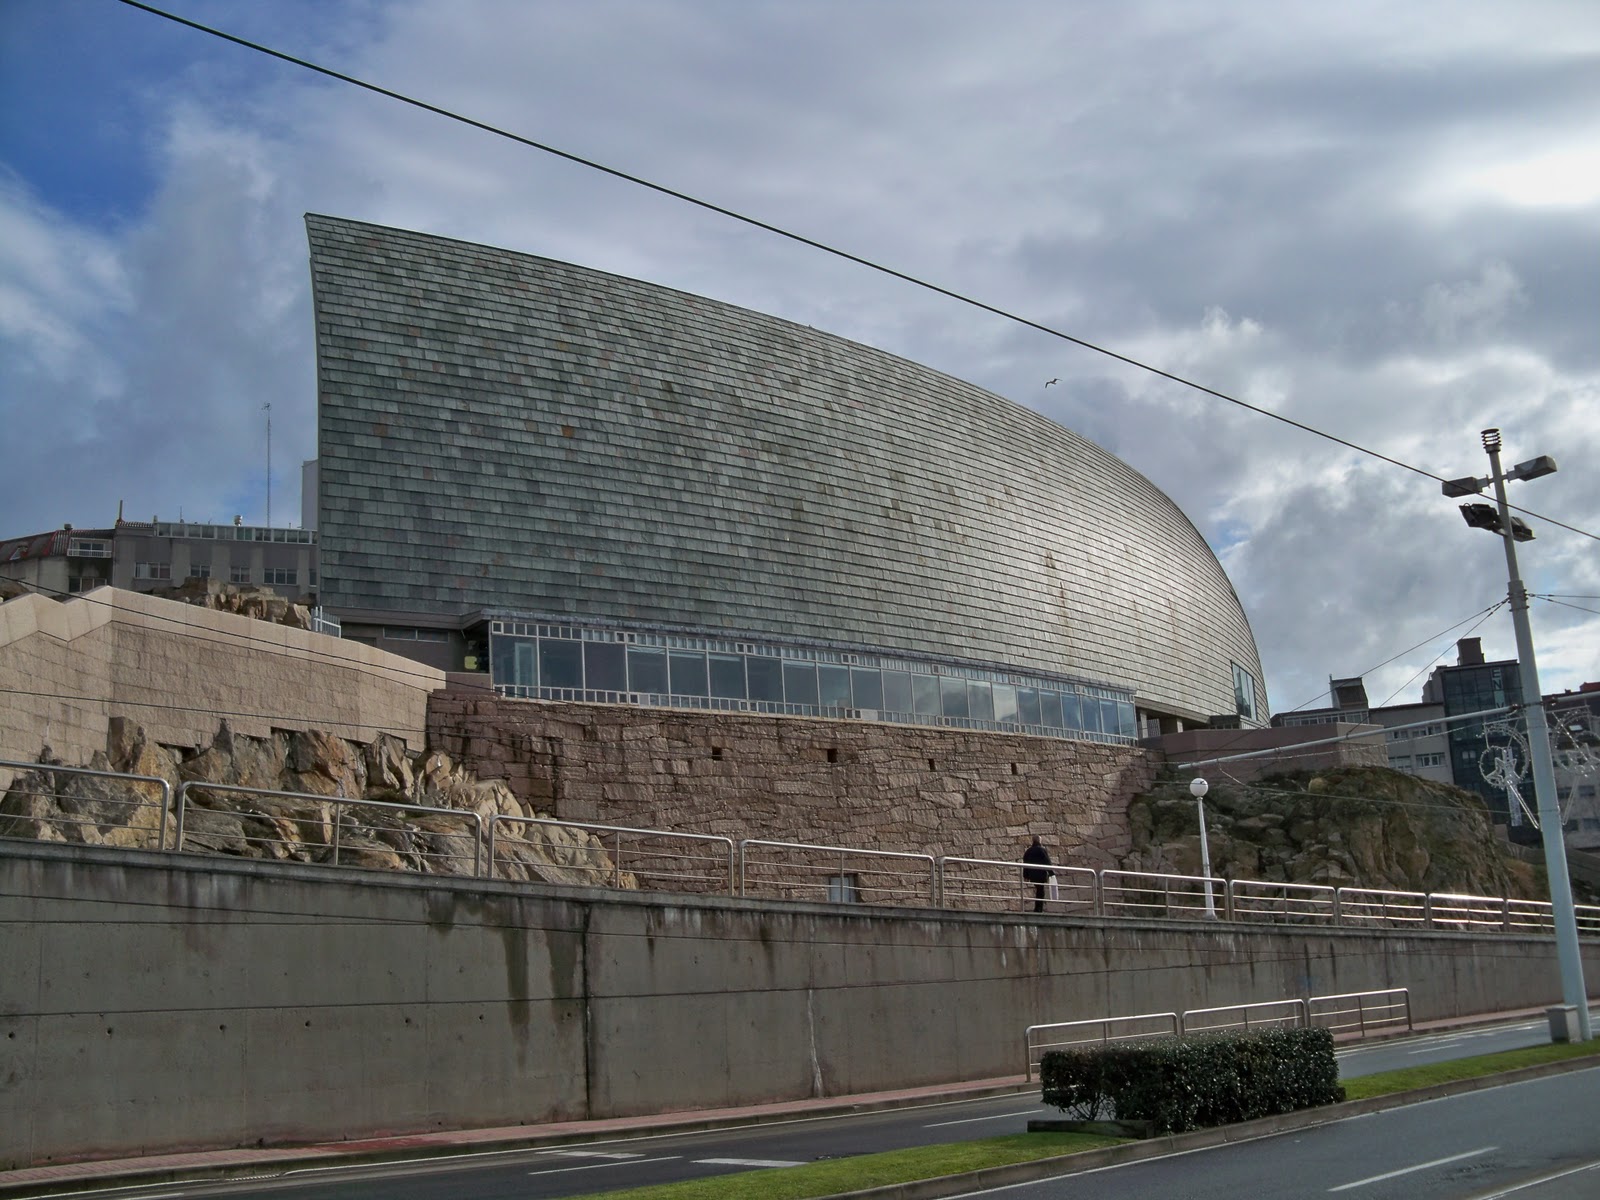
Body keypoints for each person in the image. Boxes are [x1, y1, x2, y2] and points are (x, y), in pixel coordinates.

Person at [1022, 834, 1053, 913]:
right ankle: (1038, 909)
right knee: (1040, 891)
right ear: (1039, 841)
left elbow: (1025, 863)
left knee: (1039, 890)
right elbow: (1047, 862)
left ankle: (1037, 909)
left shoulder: (1028, 851)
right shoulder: (1041, 850)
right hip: (1040, 874)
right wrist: (1051, 873)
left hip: (1032, 874)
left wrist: (1025, 875)